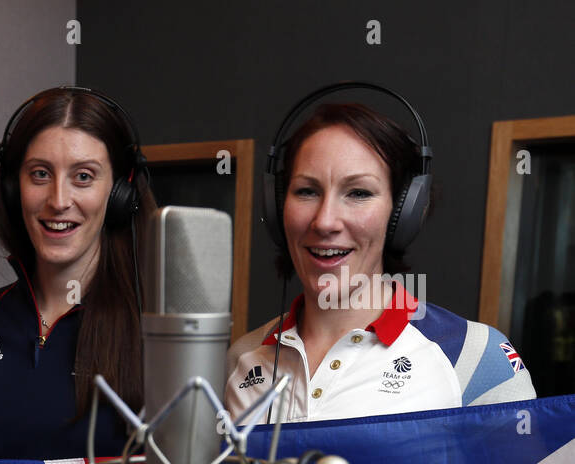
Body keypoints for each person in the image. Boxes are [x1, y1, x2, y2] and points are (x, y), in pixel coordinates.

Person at [226, 97, 535, 422]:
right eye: (307, 191)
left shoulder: (474, 357)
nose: (325, 221)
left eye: (359, 193)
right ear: (277, 211)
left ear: (404, 214)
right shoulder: (242, 358)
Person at [0, 86, 155, 460]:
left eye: (84, 177)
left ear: (121, 193)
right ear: (13, 188)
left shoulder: (159, 330)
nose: (59, 200)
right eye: (40, 174)